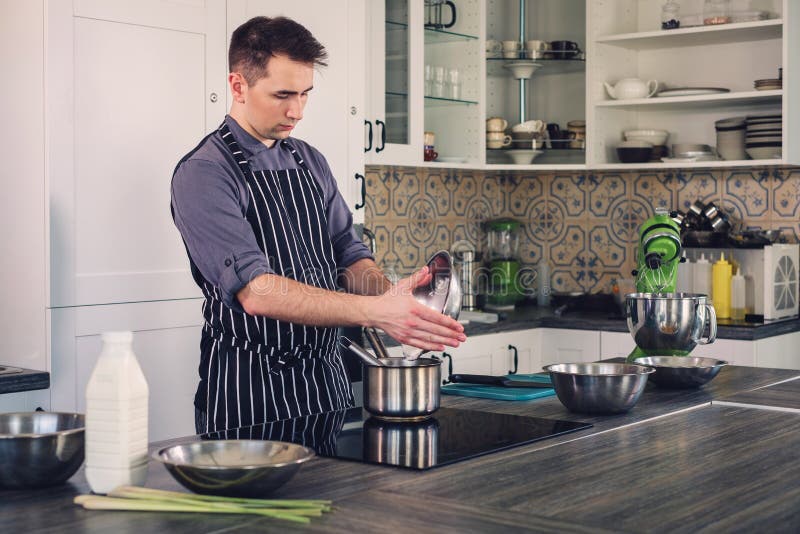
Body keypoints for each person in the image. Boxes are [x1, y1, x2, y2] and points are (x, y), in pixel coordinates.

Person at [171, 16, 465, 434]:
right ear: (238, 86)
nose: (298, 111)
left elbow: (349, 253)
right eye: (283, 95)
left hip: (327, 387)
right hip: (250, 391)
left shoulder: (309, 161)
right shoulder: (204, 173)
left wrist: (394, 300)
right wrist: (374, 312)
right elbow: (256, 291)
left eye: (306, 93)